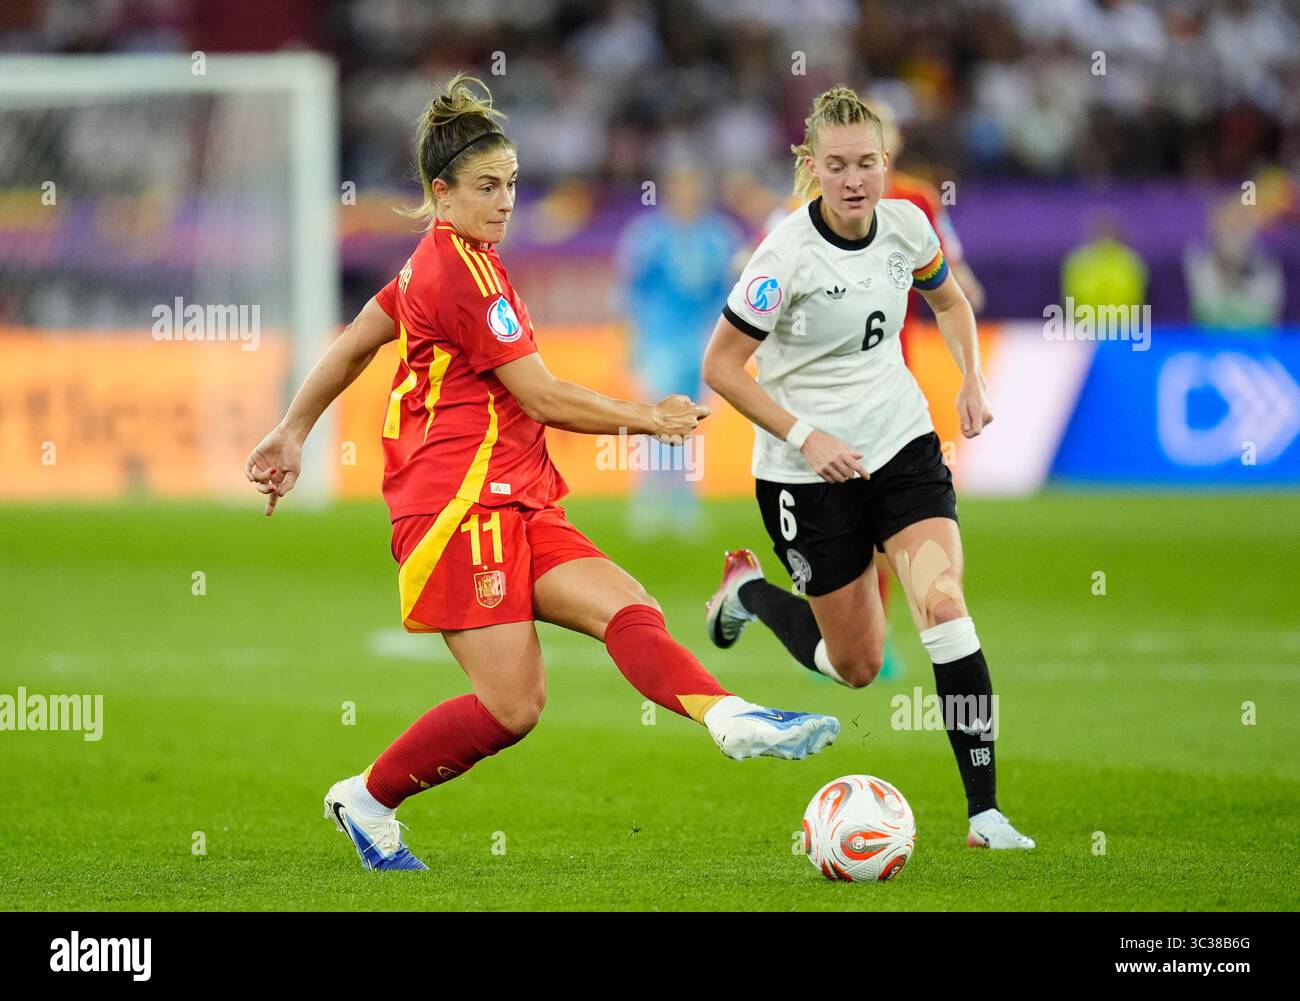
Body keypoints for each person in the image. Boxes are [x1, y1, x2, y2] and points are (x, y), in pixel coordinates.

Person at [242, 74, 839, 871]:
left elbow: (356, 343)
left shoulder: (438, 260)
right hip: (458, 509)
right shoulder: (464, 274)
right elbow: (544, 395)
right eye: (487, 187)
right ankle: (366, 798)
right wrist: (647, 418)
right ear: (440, 193)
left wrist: (291, 429)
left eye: (513, 185)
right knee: (514, 706)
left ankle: (730, 718)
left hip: (513, 496)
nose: (505, 201)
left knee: (626, 603)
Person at [700, 85, 1034, 850]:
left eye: (868, 164)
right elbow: (720, 365)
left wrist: (972, 382)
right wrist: (805, 433)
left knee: (943, 604)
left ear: (887, 163)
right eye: (839, 165)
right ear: (812, 167)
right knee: (855, 663)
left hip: (900, 441)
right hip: (803, 469)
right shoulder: (784, 254)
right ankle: (749, 591)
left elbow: (951, 303)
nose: (855, 180)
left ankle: (984, 811)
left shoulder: (908, 225)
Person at [615, 166, 742, 537]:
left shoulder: (718, 237)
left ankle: (684, 500)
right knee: (657, 419)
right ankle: (649, 500)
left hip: (700, 341)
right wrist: (632, 341)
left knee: (688, 423)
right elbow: (633, 292)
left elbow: (729, 293)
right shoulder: (649, 236)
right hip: (659, 338)